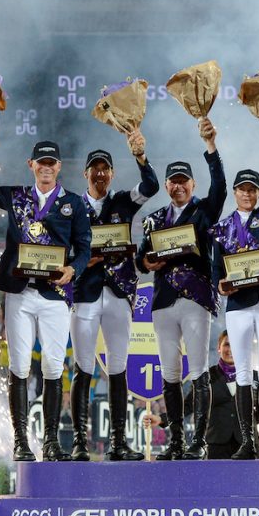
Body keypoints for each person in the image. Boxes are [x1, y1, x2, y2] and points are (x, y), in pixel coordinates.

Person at [0, 126, 91, 462]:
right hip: (19, 292)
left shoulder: (73, 203)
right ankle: (21, 441)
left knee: (52, 366)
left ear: (58, 167)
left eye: (52, 163)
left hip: (54, 296)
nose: (46, 167)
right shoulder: (15, 197)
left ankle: (49, 441)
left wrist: (73, 269)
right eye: (41, 162)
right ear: (31, 164)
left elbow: (85, 247)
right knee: (18, 366)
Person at [136, 117, 225, 460]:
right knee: (170, 371)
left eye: (183, 181)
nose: (177, 187)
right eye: (172, 182)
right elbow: (142, 258)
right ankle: (176, 440)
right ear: (167, 186)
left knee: (199, 368)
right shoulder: (155, 219)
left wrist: (211, 148)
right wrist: (147, 264)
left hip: (196, 298)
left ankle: (198, 442)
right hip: (162, 302)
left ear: (192, 183)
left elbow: (220, 186)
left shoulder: (205, 210)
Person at [71, 131, 158, 461]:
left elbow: (150, 186)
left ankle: (119, 442)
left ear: (112, 173)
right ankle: (81, 441)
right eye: (95, 168)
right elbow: (62, 248)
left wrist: (141, 156)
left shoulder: (123, 200)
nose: (100, 173)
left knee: (118, 367)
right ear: (86, 173)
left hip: (120, 291)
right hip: (85, 293)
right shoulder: (71, 205)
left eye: (105, 168)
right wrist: (81, 259)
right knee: (83, 367)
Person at [211, 121, 259, 460]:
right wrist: (220, 284)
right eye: (242, 188)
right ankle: (247, 441)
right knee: (243, 371)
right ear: (235, 193)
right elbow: (216, 269)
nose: (246, 193)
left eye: (251, 189)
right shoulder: (222, 228)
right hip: (238, 305)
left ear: (257, 194)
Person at [142, 331, 250, 459]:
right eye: (226, 344)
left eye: (235, 345)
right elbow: (188, 405)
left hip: (247, 444)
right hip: (216, 445)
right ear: (219, 348)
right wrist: (162, 419)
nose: (230, 349)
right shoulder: (206, 377)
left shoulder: (253, 377)